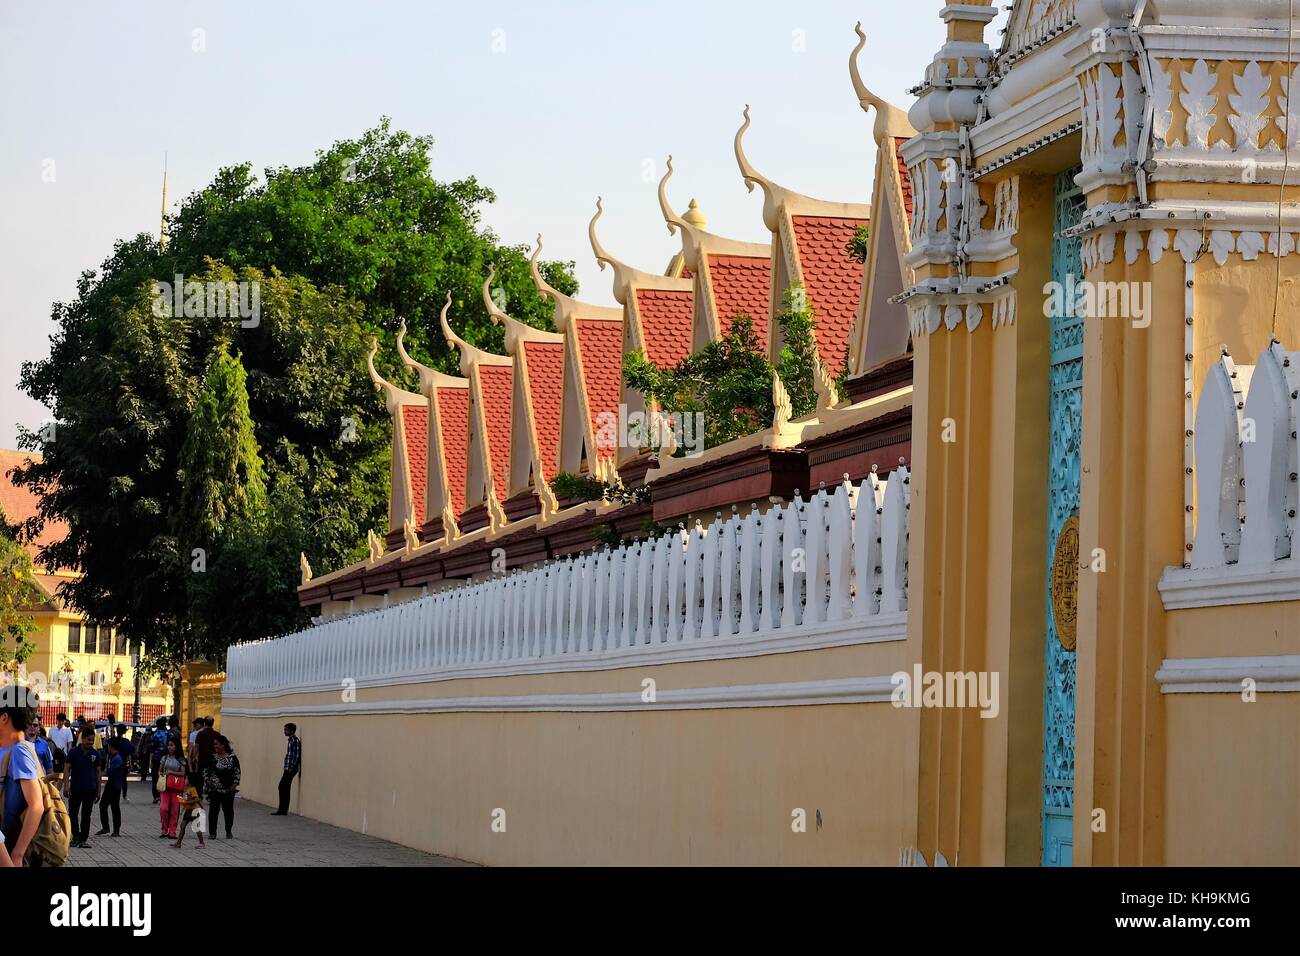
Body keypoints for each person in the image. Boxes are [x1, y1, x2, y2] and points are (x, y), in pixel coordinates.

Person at [0, 694, 43, 864]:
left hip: (8, 847)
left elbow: (36, 805)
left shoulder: (20, 751)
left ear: (4, 718)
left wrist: (17, 853)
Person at [62, 726, 101, 849]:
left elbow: (98, 773)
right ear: (82, 739)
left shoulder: (96, 754)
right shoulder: (73, 752)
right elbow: (67, 769)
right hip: (76, 788)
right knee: (73, 814)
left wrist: (99, 790)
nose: (90, 743)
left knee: (86, 815)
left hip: (90, 789)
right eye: (88, 740)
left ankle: (83, 839)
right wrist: (66, 785)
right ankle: (76, 837)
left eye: (92, 740)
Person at [203, 735, 240, 839]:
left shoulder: (232, 758)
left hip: (228, 790)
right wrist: (207, 782)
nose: (215, 746)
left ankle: (228, 830)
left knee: (228, 811)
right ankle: (212, 833)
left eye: (217, 744)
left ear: (223, 745)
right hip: (214, 789)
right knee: (213, 811)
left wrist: (234, 785)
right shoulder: (212, 757)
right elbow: (205, 771)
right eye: (214, 744)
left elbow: (237, 772)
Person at [95, 738, 125, 837]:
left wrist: (99, 773)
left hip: (114, 786)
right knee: (104, 805)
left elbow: (110, 772)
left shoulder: (117, 759)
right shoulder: (114, 757)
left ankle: (115, 829)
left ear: (111, 746)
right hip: (112, 784)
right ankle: (107, 827)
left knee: (113, 807)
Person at [157, 737, 186, 839]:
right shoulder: (164, 758)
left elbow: (183, 773)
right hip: (165, 787)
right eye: (169, 745)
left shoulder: (181, 759)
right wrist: (162, 773)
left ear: (177, 746)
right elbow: (159, 770)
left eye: (172, 745)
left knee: (175, 810)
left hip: (177, 788)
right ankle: (164, 829)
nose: (170, 747)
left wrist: (172, 772)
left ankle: (172, 831)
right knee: (163, 808)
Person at [272, 723, 301, 815]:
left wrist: (291, 768)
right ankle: (282, 809)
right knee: (283, 787)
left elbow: (296, 755)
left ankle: (283, 809)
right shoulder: (290, 740)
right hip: (288, 767)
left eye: (286, 730)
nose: (284, 732)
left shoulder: (295, 741)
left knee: (283, 786)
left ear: (291, 731)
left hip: (291, 768)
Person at [170, 784, 206, 849]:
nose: (184, 780)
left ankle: (202, 843)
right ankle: (178, 843)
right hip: (188, 811)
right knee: (182, 826)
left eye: (186, 778)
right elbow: (185, 801)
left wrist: (186, 802)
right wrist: (182, 809)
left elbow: (197, 799)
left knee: (196, 828)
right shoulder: (185, 789)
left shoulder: (192, 789)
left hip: (194, 810)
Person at [112, 725, 134, 801]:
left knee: (113, 779)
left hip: (113, 763)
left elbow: (108, 753)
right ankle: (124, 795)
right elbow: (129, 754)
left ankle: (114, 794)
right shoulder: (126, 742)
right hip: (123, 763)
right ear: (124, 731)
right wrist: (130, 764)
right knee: (124, 780)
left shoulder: (113, 740)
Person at [149, 718, 169, 803]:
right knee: (166, 777)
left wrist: (150, 761)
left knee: (155, 777)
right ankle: (164, 795)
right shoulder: (169, 734)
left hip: (157, 758)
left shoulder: (154, 735)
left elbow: (152, 749)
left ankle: (156, 796)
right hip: (167, 759)